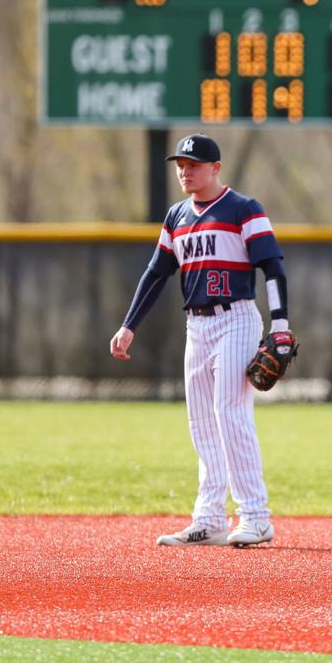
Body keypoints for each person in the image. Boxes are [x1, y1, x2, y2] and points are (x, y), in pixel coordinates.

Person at [110, 133, 289, 548]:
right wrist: (129, 324)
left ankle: (256, 515)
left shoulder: (244, 209)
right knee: (202, 422)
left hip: (236, 319)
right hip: (197, 325)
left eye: (193, 165)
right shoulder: (176, 216)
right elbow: (156, 273)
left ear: (215, 168)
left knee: (229, 412)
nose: (185, 172)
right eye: (180, 165)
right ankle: (209, 519)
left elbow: (273, 268)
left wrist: (280, 323)